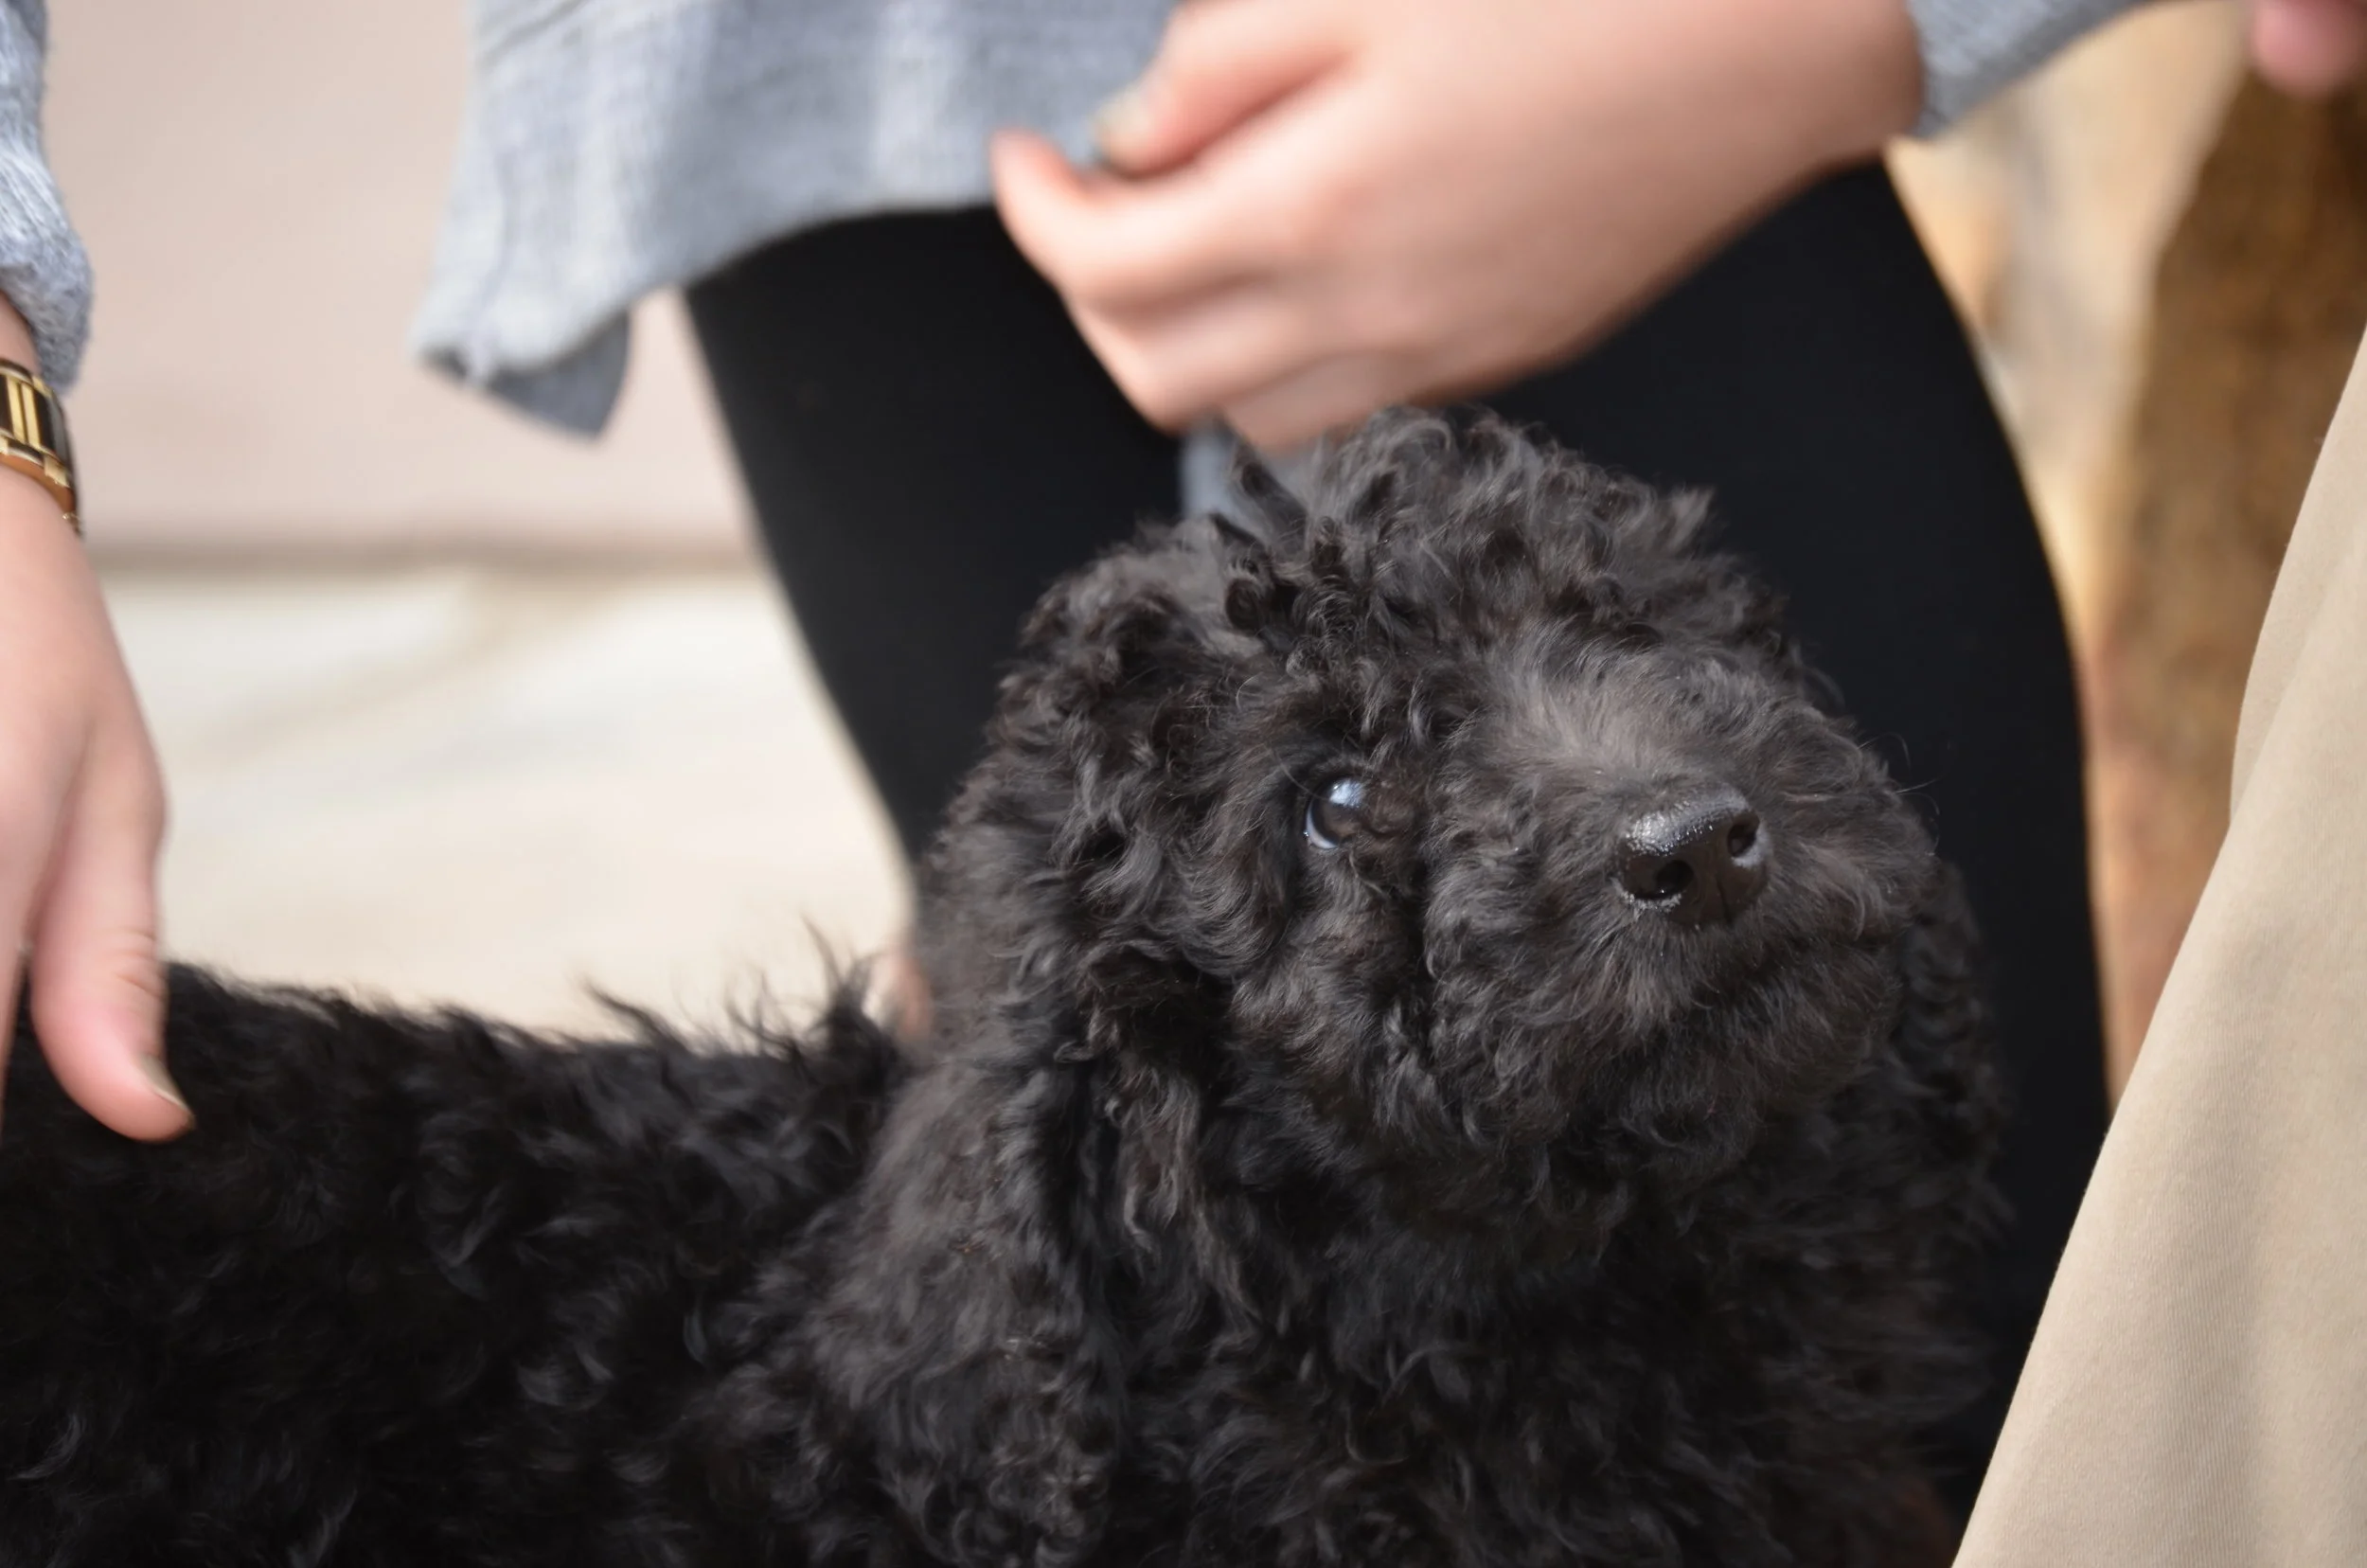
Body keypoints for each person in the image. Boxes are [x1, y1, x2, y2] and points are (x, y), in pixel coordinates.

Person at [0, 0, 2162, 1499]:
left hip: (1636, 85)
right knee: (1207, 1347)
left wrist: (1847, 23)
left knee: (1986, 1373)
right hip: (853, 96)